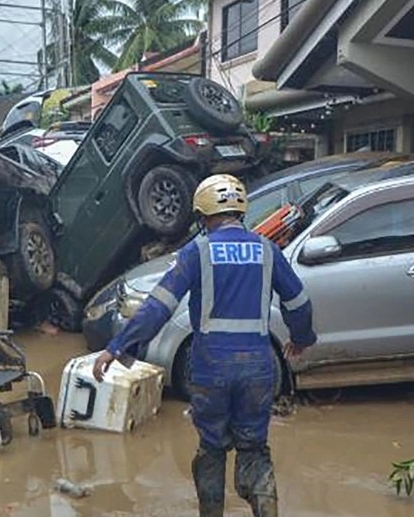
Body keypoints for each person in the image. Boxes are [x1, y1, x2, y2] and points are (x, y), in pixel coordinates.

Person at [93, 173, 317, 517]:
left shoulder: (196, 252)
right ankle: (265, 504)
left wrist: (119, 346)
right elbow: (299, 303)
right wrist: (300, 339)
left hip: (210, 367)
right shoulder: (268, 251)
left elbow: (158, 306)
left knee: (211, 450)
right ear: (240, 212)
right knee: (254, 449)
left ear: (204, 216)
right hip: (259, 367)